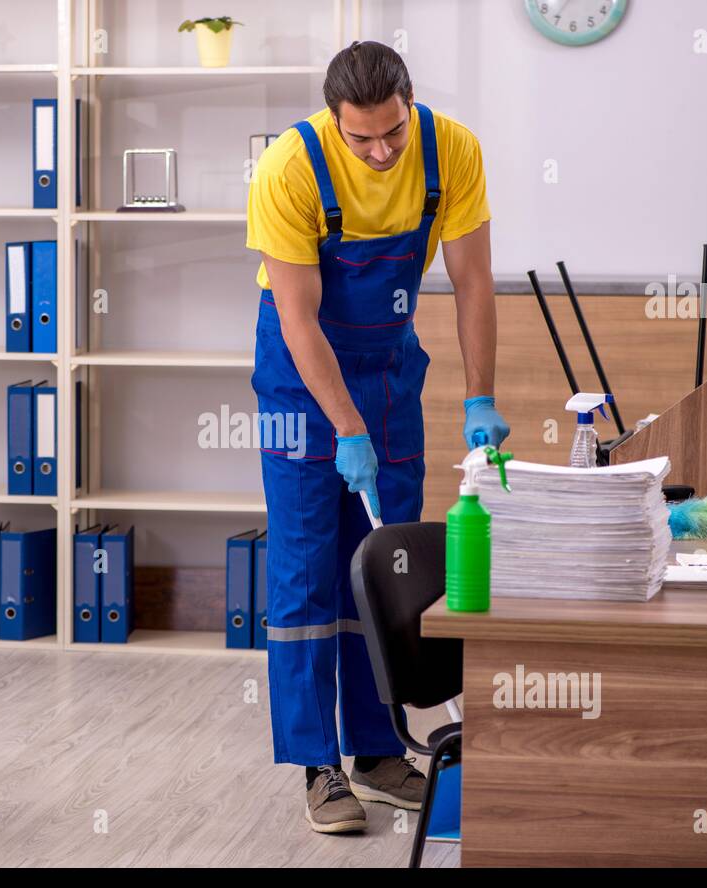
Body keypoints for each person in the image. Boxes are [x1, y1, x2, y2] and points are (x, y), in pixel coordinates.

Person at [245, 41, 509, 834]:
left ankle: (376, 748)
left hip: (390, 375)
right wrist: (344, 428)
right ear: (336, 121)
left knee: (385, 564)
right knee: (305, 572)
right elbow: (297, 317)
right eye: (362, 139)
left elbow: (472, 281)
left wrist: (480, 396)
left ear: (408, 101)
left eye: (391, 132)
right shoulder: (288, 169)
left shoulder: (451, 150)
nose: (381, 150)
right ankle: (316, 764)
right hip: (302, 380)